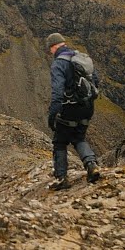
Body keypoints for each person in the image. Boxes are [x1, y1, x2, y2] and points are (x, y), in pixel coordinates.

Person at [46, 32, 101, 190]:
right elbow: (95, 80)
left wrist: (52, 116)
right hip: (87, 106)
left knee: (60, 142)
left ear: (55, 46)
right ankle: (92, 166)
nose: (50, 52)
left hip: (70, 108)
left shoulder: (59, 64)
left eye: (50, 48)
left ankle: (62, 178)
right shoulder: (81, 58)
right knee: (79, 138)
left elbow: (57, 93)